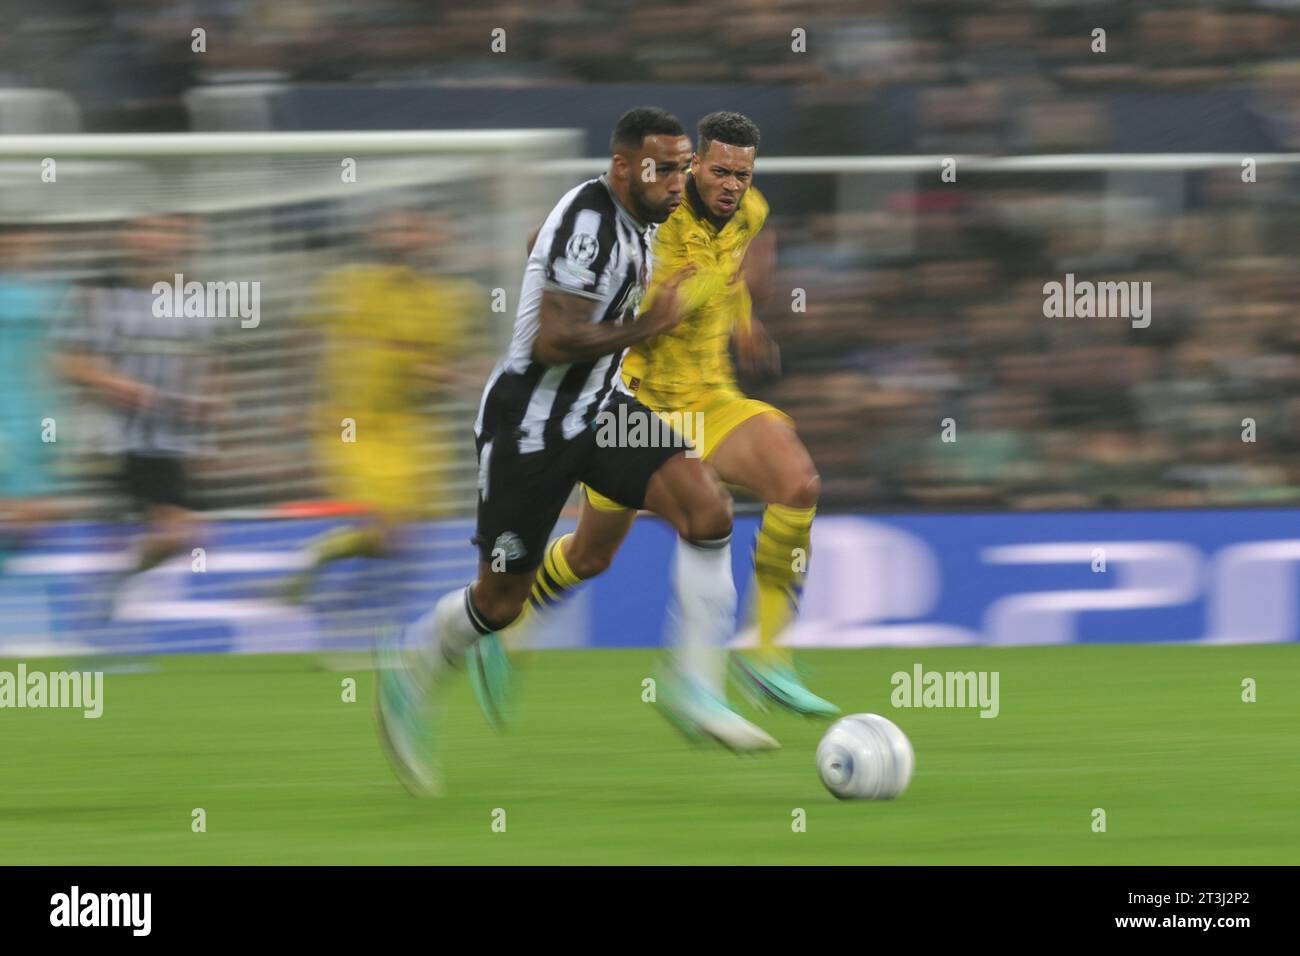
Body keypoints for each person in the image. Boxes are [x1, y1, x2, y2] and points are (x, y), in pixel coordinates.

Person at [376, 107, 778, 798]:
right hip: (529, 430)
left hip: (600, 412)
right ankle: (412, 669)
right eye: (666, 167)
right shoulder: (593, 220)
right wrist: (649, 322)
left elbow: (545, 242)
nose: (679, 180)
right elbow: (551, 343)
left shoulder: (636, 217)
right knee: (499, 603)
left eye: (685, 166)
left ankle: (695, 691)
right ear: (624, 166)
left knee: (707, 508)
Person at [513, 112, 838, 724]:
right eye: (719, 171)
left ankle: (766, 656)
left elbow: (742, 258)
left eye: (742, 173)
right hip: (630, 402)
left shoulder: (751, 210)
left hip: (711, 397)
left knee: (798, 483)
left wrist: (744, 316)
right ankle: (511, 620)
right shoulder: (647, 209)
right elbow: (542, 241)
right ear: (692, 166)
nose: (732, 185)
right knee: (591, 554)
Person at [280, 209, 480, 605]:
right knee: (390, 531)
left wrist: (453, 377)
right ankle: (323, 572)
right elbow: (302, 339)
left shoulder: (455, 300)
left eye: (419, 229)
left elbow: (454, 364)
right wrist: (296, 401)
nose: (408, 237)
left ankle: (333, 584)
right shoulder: (348, 286)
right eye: (399, 226)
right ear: (378, 233)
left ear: (439, 237)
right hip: (354, 424)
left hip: (414, 432)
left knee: (399, 539)